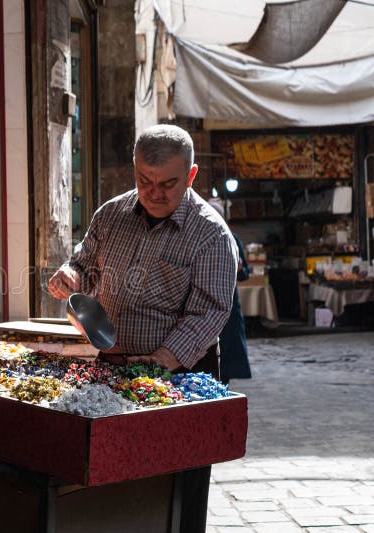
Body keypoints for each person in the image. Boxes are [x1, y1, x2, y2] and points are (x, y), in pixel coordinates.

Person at [48, 124, 238, 533]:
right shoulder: (112, 214)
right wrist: (70, 275)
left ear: (190, 175)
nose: (153, 193)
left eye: (168, 184)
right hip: (112, 366)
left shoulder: (210, 235)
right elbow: (84, 260)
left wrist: (162, 360)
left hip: (181, 374)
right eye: (143, 181)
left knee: (176, 490)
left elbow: (209, 312)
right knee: (116, 483)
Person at [208, 200, 252, 384]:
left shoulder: (233, 239)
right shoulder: (196, 240)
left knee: (226, 358)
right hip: (205, 305)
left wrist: (240, 269)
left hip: (228, 305)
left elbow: (244, 275)